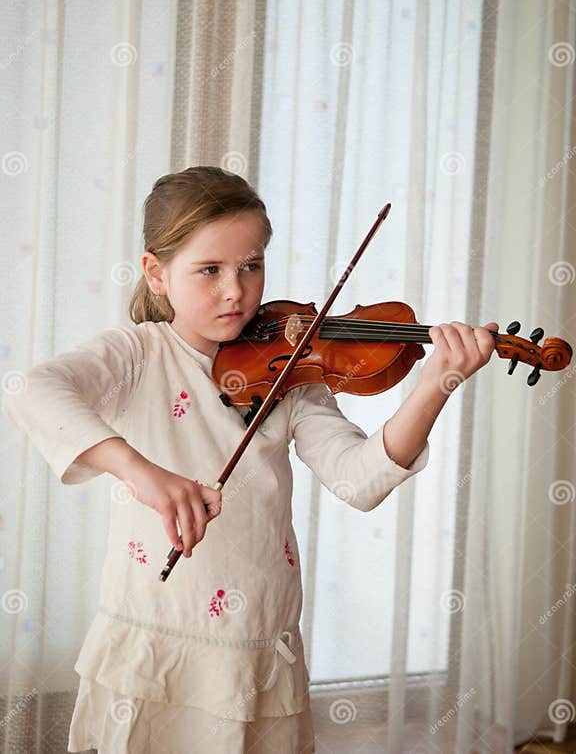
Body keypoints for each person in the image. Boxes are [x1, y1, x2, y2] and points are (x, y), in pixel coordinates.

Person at [2, 166, 498, 753]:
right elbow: (32, 389)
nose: (235, 291)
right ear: (156, 274)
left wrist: (435, 383)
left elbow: (359, 480)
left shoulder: (293, 373)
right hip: (154, 637)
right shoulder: (138, 353)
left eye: (251, 266)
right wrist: (144, 474)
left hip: (258, 641)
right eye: (209, 270)